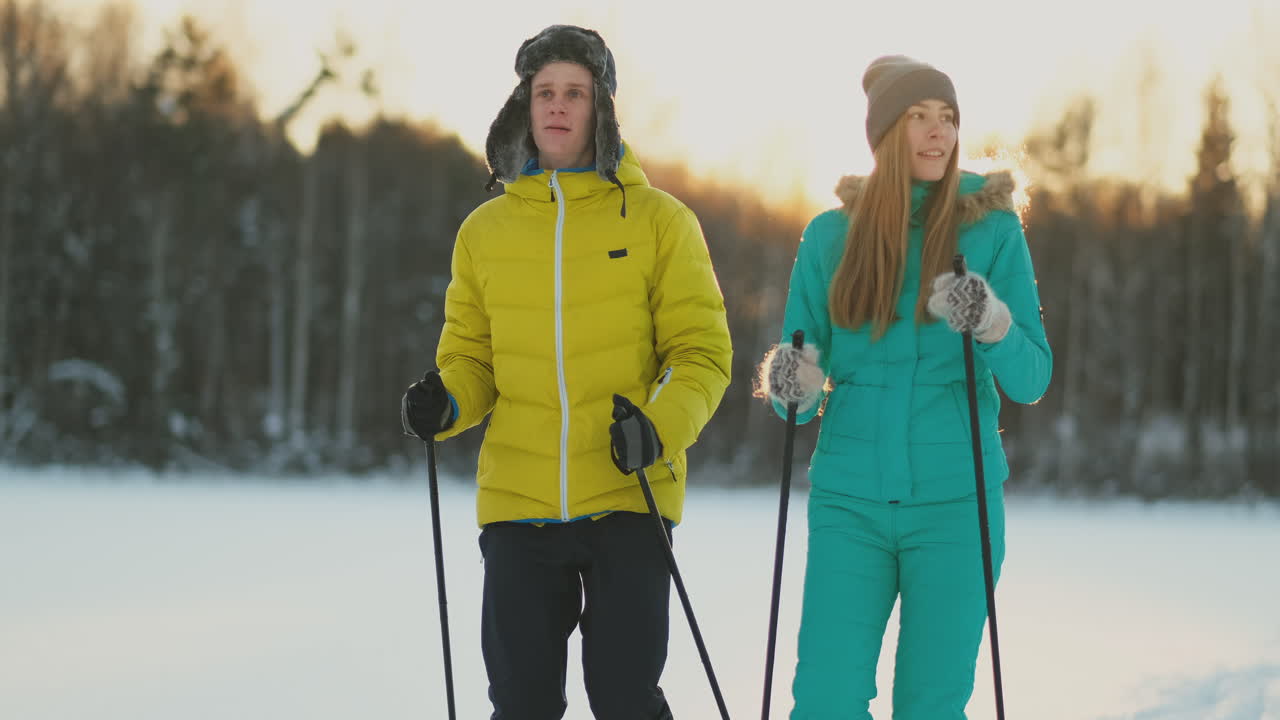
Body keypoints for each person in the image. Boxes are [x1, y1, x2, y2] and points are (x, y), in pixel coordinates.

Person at [400, 24, 732, 720]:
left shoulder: (659, 221)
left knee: (624, 699)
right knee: (520, 702)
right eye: (543, 91)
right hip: (519, 503)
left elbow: (702, 353)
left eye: (573, 93)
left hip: (629, 493)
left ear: (600, 107)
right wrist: (446, 401)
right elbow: (472, 359)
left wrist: (656, 429)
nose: (557, 106)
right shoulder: (484, 232)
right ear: (523, 104)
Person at [758, 55, 1052, 719]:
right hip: (848, 505)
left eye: (947, 118)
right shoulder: (830, 237)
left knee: (930, 706)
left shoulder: (993, 232)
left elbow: (1033, 377)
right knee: (825, 701)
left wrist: (993, 321)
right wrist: (791, 380)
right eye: (919, 116)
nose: (937, 132)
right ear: (885, 133)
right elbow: (795, 389)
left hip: (958, 506)